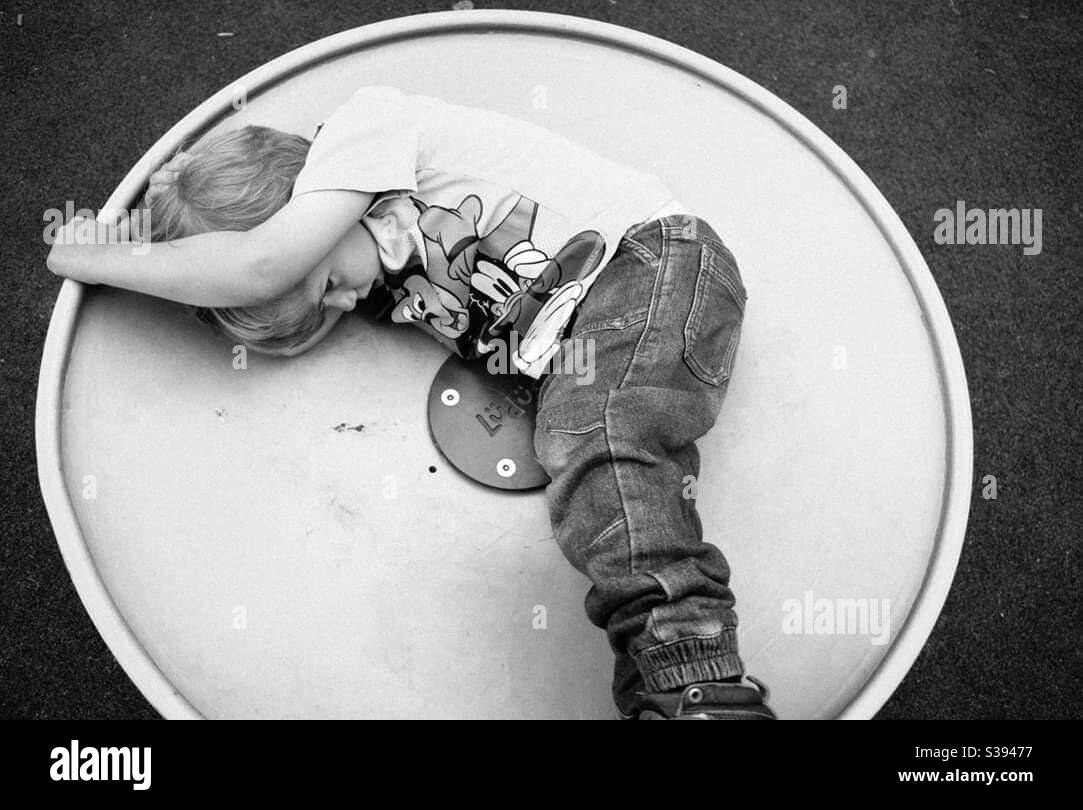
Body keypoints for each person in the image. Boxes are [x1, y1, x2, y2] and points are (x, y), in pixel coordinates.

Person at [47, 86, 775, 720]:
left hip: (645, 265)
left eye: (325, 278)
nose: (345, 299)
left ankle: (699, 681)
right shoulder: (376, 276)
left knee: (602, 438)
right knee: (589, 461)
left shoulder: (365, 131)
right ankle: (656, 690)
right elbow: (265, 291)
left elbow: (259, 264)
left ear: (304, 204)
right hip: (588, 331)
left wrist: (92, 253)